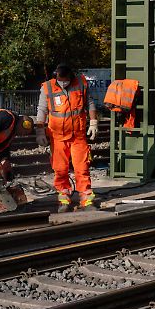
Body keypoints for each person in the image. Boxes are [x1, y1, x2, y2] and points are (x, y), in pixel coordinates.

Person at [36, 63, 99, 209]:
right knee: (60, 169)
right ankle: (64, 197)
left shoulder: (81, 83)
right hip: (57, 136)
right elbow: (42, 110)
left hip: (78, 135)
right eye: (60, 79)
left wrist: (94, 122)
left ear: (71, 76)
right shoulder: (47, 87)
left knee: (82, 167)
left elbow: (89, 103)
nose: (63, 82)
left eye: (66, 79)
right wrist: (40, 131)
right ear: (55, 76)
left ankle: (86, 199)